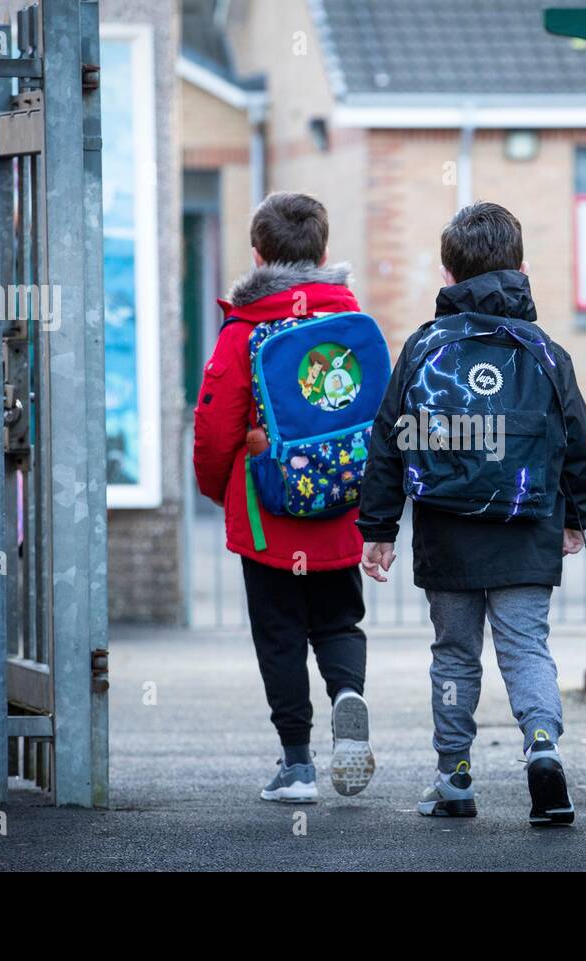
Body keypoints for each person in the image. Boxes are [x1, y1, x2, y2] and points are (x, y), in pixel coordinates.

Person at [357, 202, 586, 826]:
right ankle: (543, 748)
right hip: (527, 529)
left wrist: (378, 530)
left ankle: (455, 778)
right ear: (520, 267)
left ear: (447, 276)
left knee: (455, 655)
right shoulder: (544, 350)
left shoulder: (423, 346)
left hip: (448, 533)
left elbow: (388, 441)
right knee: (525, 649)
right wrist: (576, 516)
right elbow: (576, 439)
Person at [193, 192, 377, 803]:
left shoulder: (244, 330)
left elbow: (216, 422)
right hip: (342, 502)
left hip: (268, 510)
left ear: (257, 255)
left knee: (279, 633)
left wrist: (217, 484)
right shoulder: (347, 321)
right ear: (324, 252)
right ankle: (348, 697)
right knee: (339, 618)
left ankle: (297, 767)